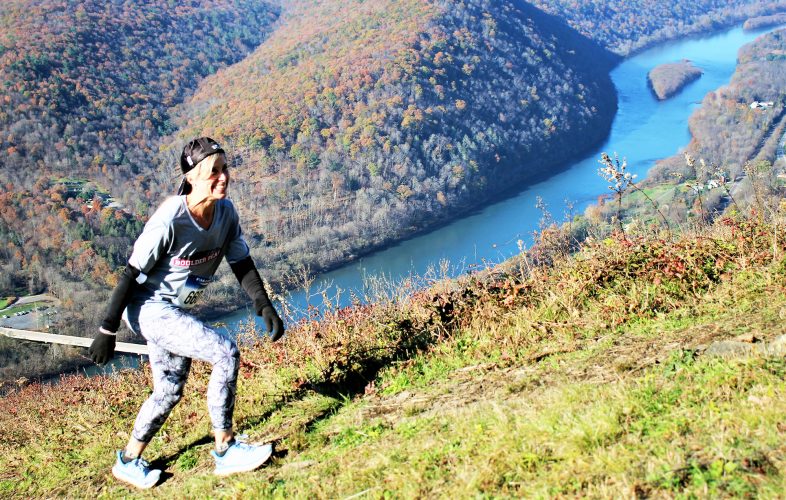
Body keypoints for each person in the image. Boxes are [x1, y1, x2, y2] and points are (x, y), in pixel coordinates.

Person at [88, 137, 284, 489]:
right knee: (225, 353)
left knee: (168, 389)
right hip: (149, 308)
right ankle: (225, 449)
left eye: (225, 169)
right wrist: (107, 330)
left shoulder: (226, 214)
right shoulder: (171, 218)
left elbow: (241, 262)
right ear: (192, 177)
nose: (223, 177)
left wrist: (263, 303)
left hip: (174, 310)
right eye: (214, 172)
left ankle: (128, 460)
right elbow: (131, 274)